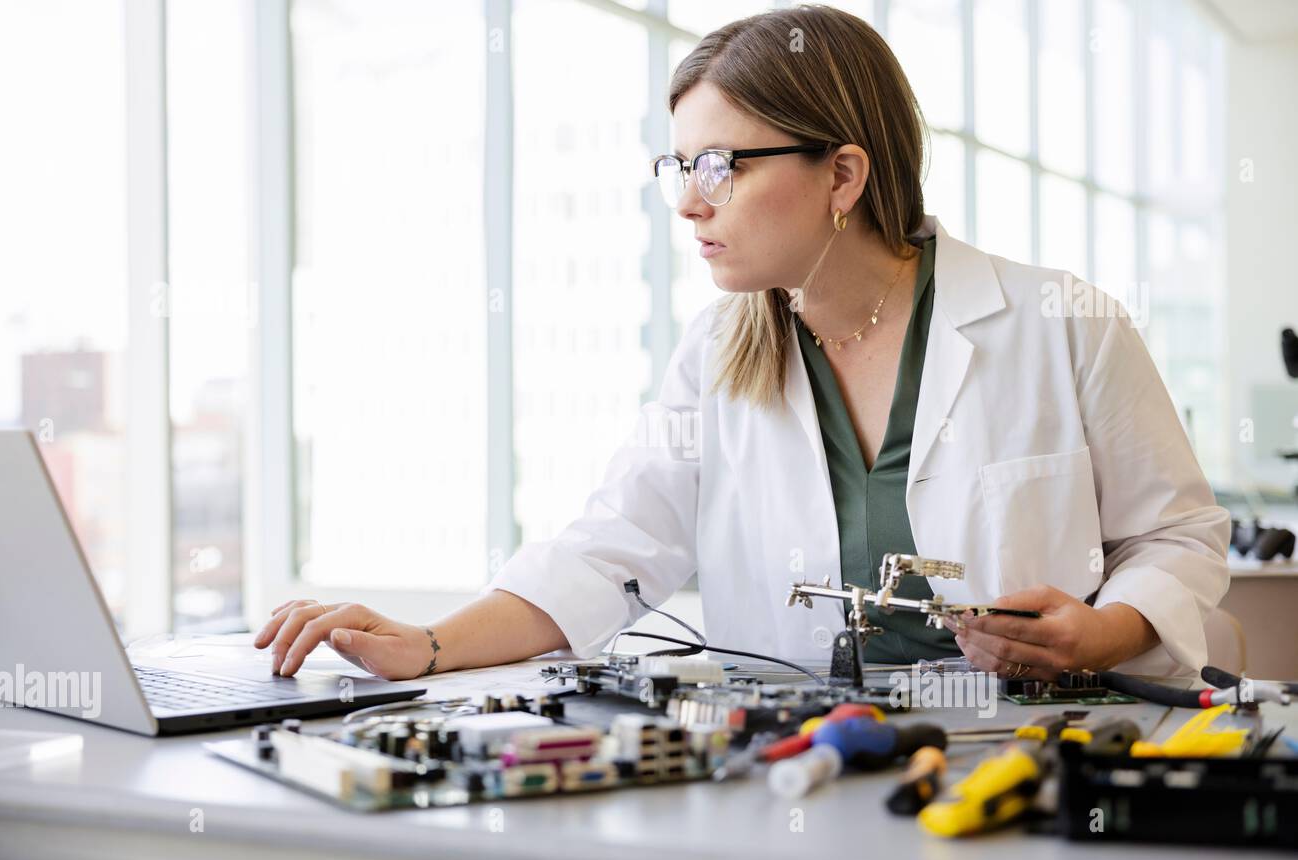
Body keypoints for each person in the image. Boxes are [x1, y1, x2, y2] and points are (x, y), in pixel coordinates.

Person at [255, 5, 1229, 683]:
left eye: (719, 164)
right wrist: (425, 645)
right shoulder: (717, 352)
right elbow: (609, 551)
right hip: (799, 776)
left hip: (1028, 765)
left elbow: (1178, 536)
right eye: (678, 165)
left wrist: (1103, 632)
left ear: (842, 174)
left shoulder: (1061, 325)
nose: (686, 200)